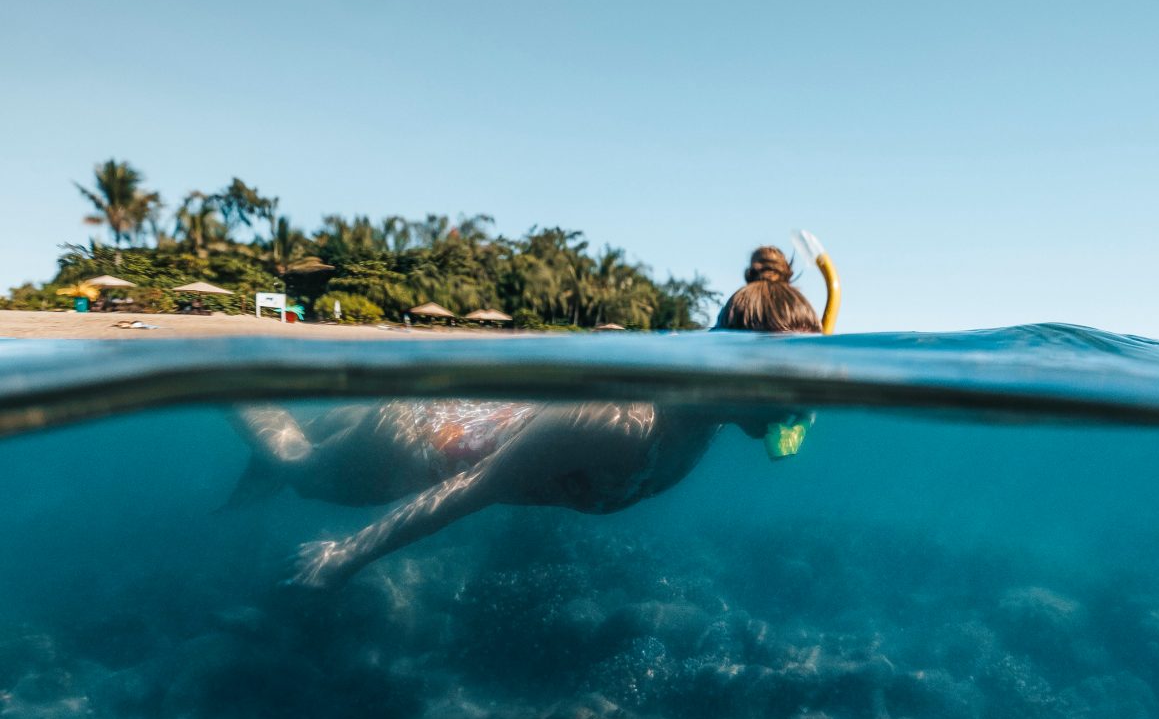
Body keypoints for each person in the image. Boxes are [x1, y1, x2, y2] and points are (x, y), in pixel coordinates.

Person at [234, 244, 832, 589]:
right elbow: (476, 486)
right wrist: (346, 557)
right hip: (423, 438)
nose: (801, 402)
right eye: (789, 381)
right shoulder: (613, 420)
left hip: (457, 421)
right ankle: (238, 391)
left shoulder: (716, 414)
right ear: (733, 367)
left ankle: (275, 442)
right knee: (299, 466)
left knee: (302, 458)